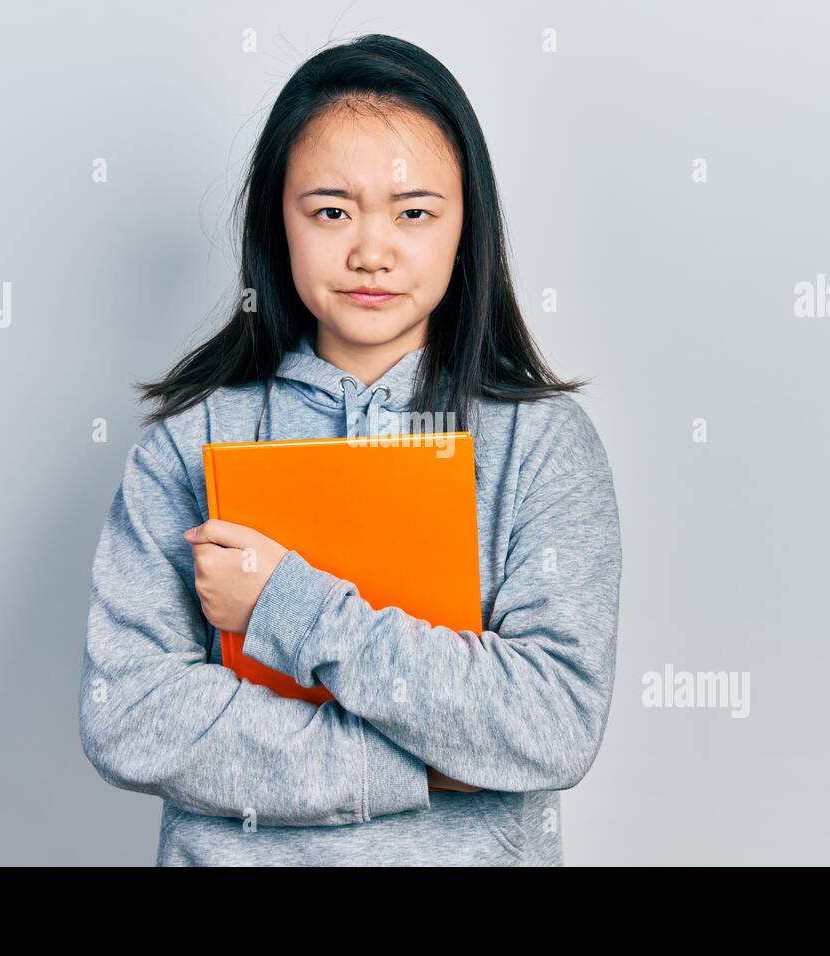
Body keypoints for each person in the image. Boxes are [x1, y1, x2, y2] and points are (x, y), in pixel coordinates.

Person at [79, 33, 622, 866]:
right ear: (279, 220)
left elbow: (550, 725)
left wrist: (284, 604)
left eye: (414, 212)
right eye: (331, 210)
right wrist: (422, 764)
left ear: (465, 225)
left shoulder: (539, 443)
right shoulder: (192, 442)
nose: (372, 252)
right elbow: (131, 717)